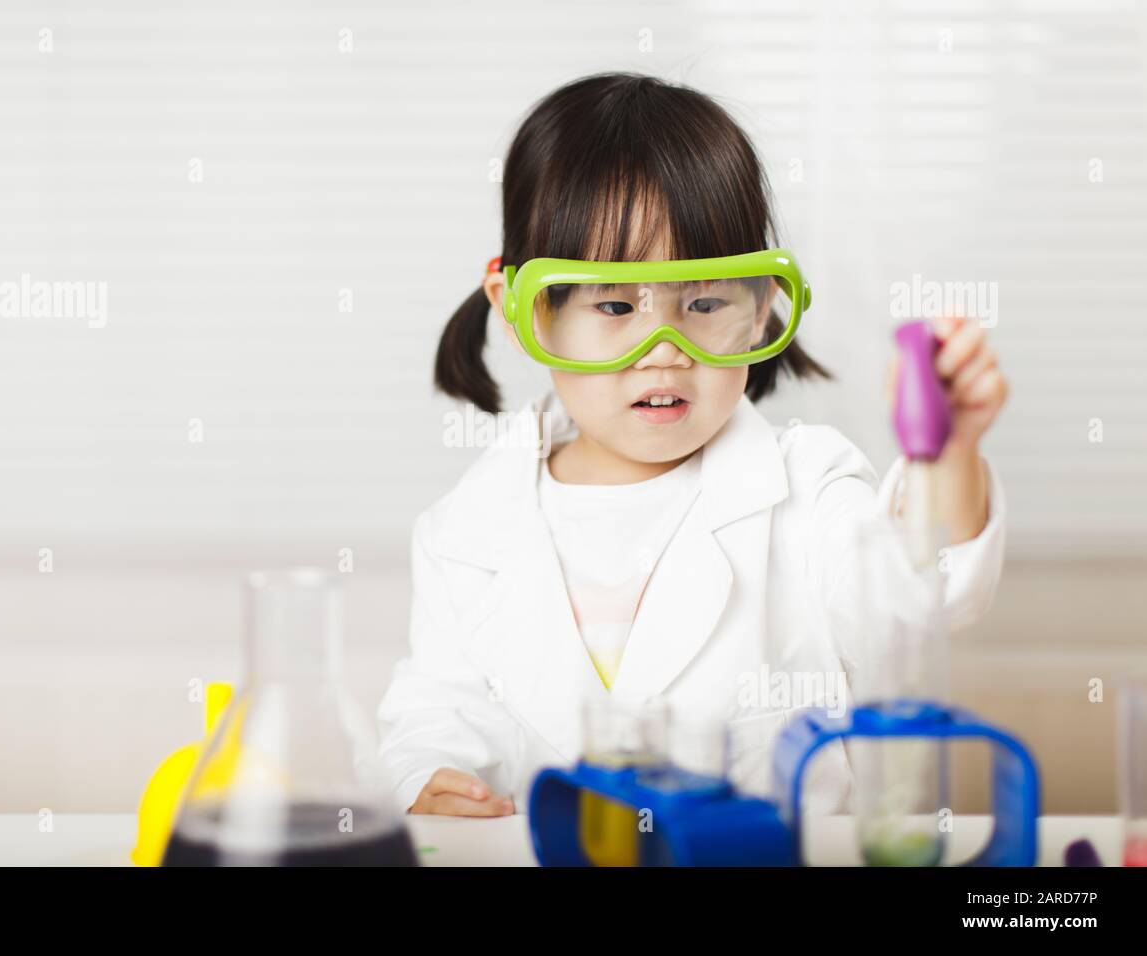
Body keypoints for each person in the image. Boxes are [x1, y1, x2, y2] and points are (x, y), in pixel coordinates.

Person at [376, 72, 1007, 817]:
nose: (664, 350)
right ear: (522, 311)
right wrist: (425, 777)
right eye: (614, 303)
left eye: (704, 303)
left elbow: (913, 596)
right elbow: (435, 715)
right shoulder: (464, 533)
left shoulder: (807, 486)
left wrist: (950, 453)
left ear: (761, 305)